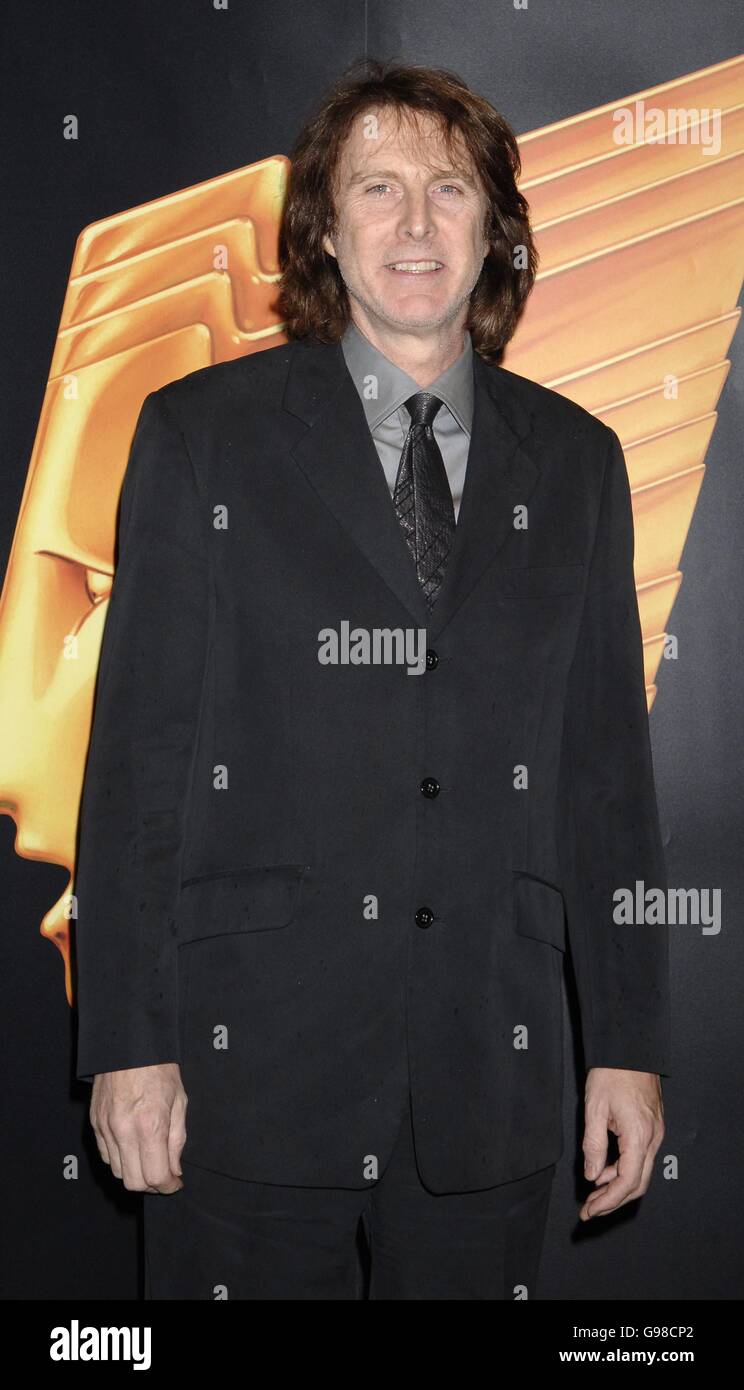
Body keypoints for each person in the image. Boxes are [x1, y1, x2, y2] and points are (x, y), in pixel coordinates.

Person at [74, 59, 670, 1300]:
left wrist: (628, 1044)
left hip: (485, 1078)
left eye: (448, 189)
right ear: (326, 232)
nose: (413, 224)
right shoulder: (200, 435)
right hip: (245, 1076)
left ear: (494, 229)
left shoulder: (580, 463)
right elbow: (139, 762)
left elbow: (605, 779)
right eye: (378, 188)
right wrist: (129, 1046)